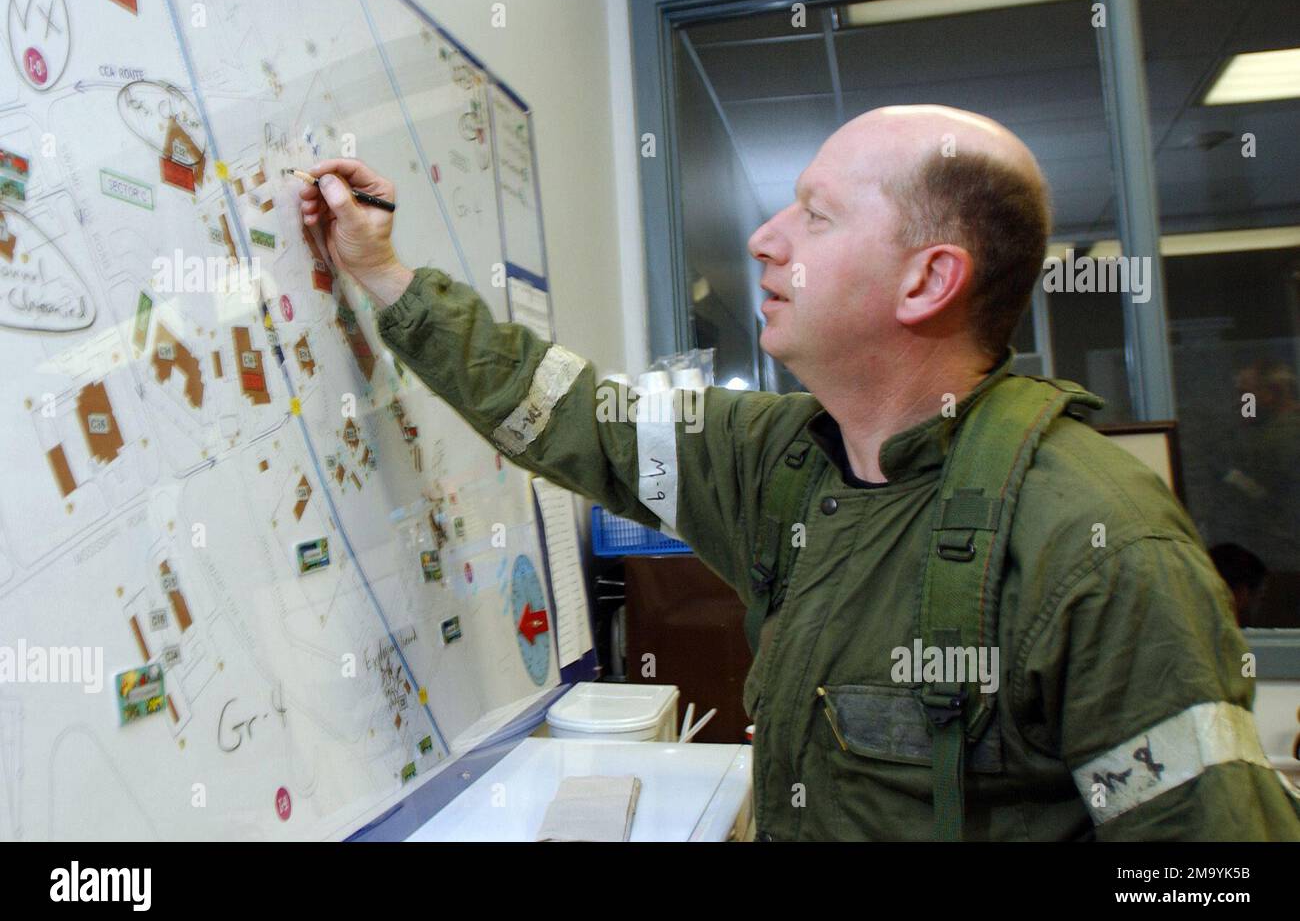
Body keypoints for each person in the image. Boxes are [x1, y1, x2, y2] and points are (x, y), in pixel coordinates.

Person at [298, 104, 1300, 840]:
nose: (762, 239)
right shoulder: (775, 458)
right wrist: (383, 271)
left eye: (813, 217)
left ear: (927, 279)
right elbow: (563, 414)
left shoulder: (1100, 544)